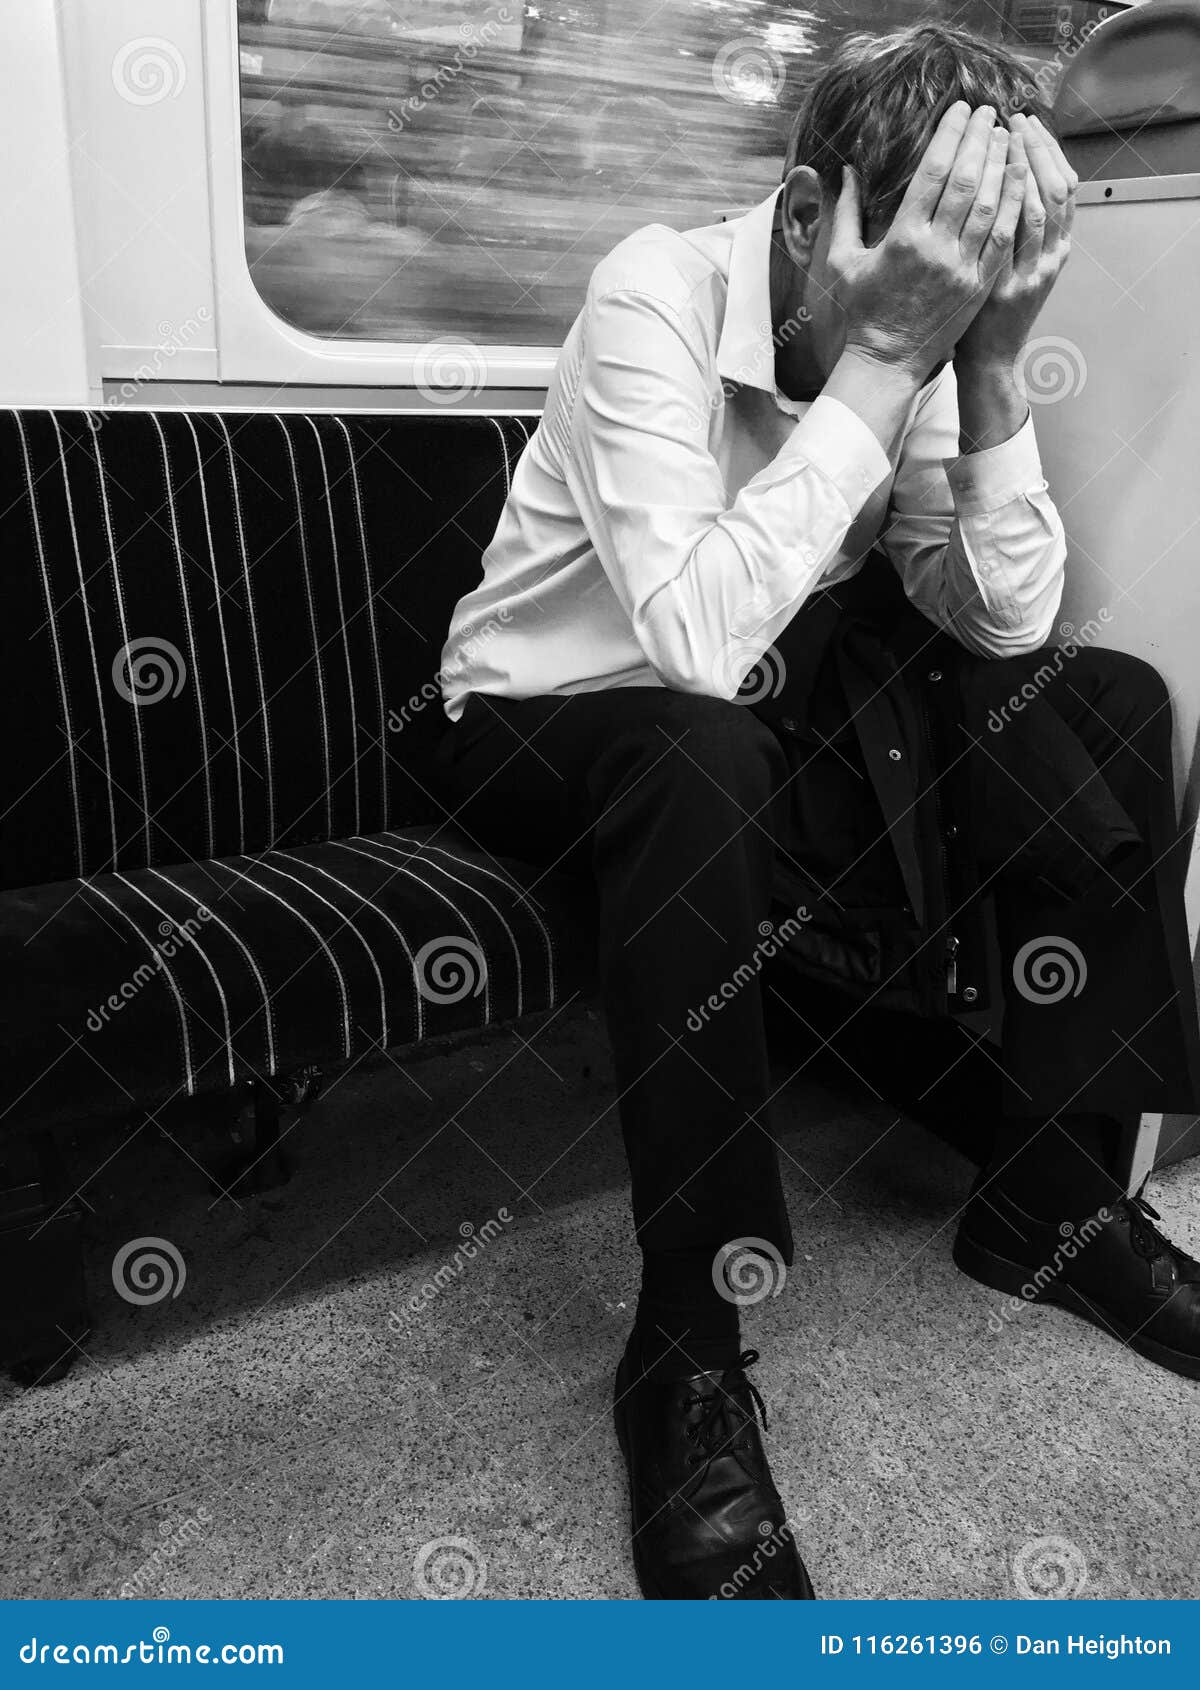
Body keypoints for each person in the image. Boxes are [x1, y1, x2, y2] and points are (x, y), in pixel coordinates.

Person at [432, 24, 1200, 1600]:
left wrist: (986, 367)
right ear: (807, 216)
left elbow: (1004, 620)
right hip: (539, 715)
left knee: (1102, 700)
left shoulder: (931, 334)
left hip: (746, 714)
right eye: (935, 274)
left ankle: (1051, 1199)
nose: (947, 308)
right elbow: (693, 642)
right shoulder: (653, 290)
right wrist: (885, 363)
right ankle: (687, 1348)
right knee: (696, 750)